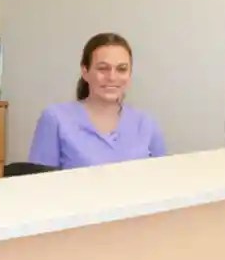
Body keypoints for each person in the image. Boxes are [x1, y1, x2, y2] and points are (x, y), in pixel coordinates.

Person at [27, 32, 166, 170]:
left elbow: (162, 181)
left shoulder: (146, 123)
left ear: (129, 74)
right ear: (85, 72)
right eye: (103, 68)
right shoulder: (56, 118)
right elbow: (38, 184)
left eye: (121, 69)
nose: (112, 77)